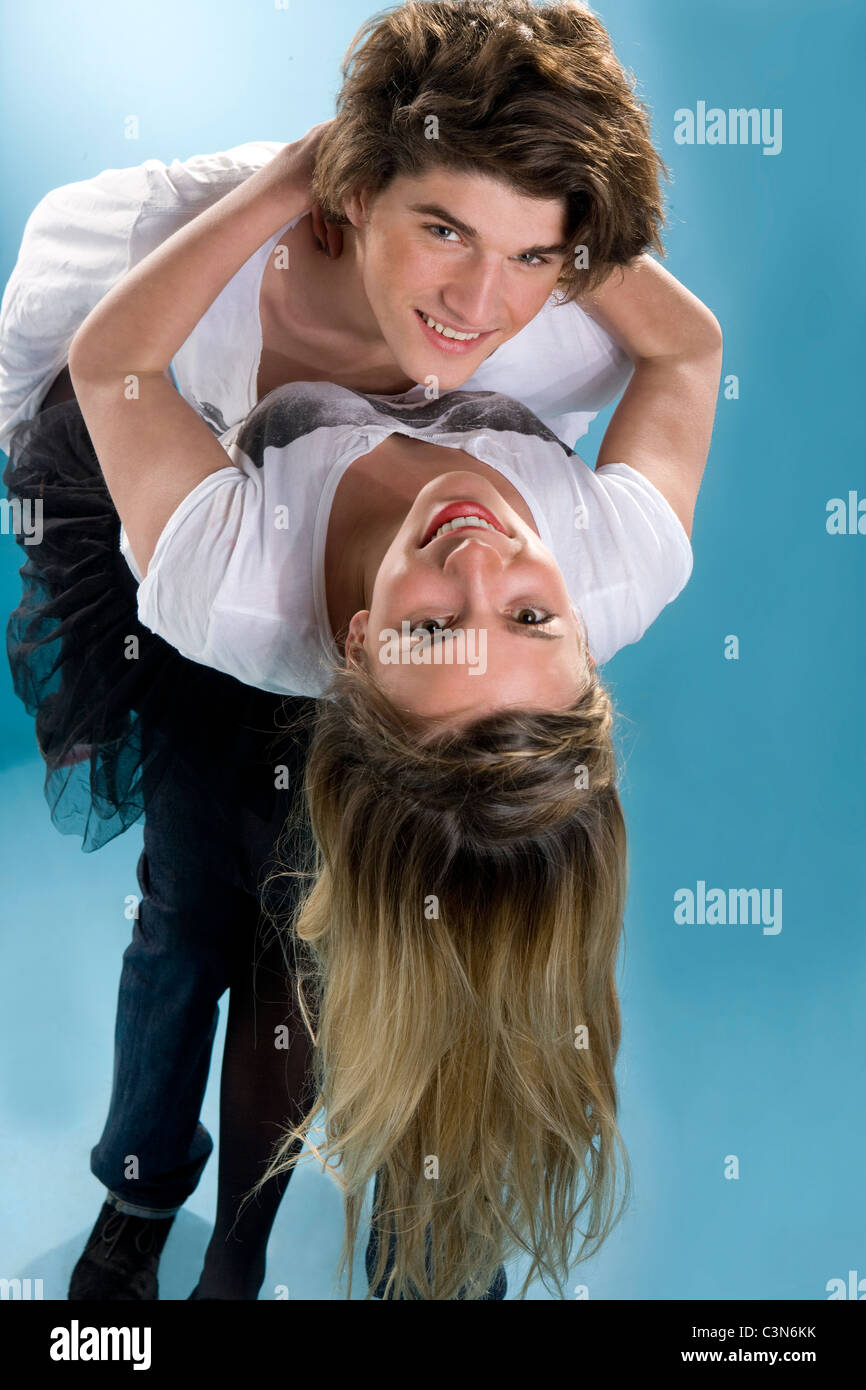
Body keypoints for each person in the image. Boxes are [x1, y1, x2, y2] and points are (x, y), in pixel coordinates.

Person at [0, 0, 721, 1298]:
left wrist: (539, 220)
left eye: (441, 618)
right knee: (189, 924)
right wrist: (559, 198)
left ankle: (421, 1247)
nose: (488, 560)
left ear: (356, 643)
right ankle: (151, 1189)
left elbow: (121, 368)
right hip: (247, 660)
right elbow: (688, 348)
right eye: (529, 614)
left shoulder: (232, 582)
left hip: (244, 596)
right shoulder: (612, 562)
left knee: (381, 961)